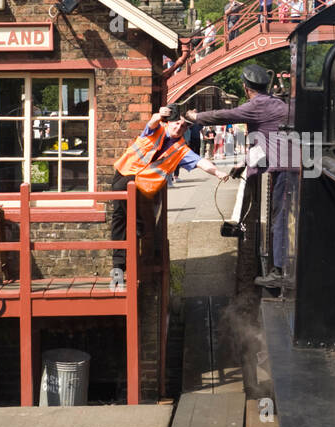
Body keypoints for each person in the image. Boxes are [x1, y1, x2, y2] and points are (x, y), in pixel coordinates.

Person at [185, 64, 293, 288]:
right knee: (280, 218)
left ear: (246, 88)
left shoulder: (257, 106)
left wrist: (195, 117)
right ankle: (280, 265)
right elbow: (266, 141)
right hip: (291, 166)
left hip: (286, 169)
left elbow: (224, 115)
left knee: (280, 219)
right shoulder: (277, 103)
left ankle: (280, 271)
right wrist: (243, 164)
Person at [110, 106, 228, 278]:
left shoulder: (181, 149)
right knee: (120, 219)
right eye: (176, 124)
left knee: (136, 224)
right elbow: (152, 122)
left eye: (183, 126)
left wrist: (217, 172)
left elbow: (200, 161)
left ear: (187, 129)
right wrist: (159, 115)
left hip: (142, 189)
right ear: (170, 122)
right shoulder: (156, 130)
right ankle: (119, 266)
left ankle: (131, 262)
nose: (178, 128)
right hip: (123, 175)